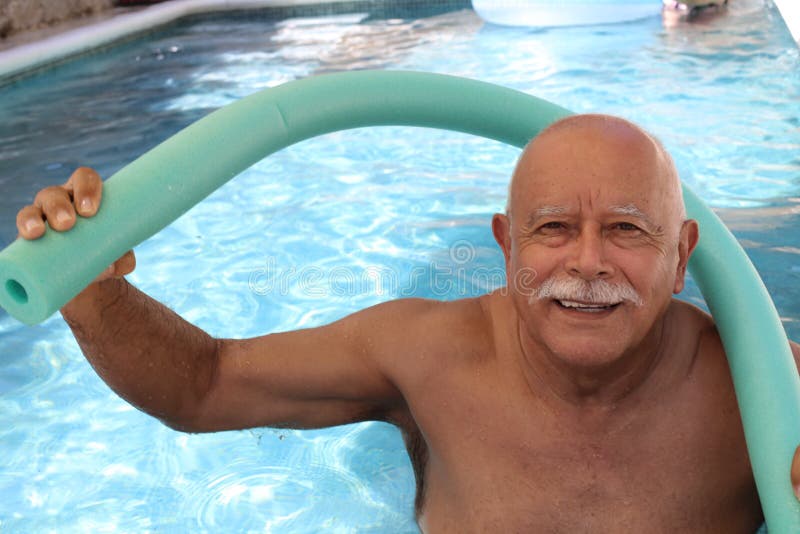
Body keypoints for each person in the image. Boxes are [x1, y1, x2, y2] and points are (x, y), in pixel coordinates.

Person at [15, 113, 800, 532]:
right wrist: (94, 295)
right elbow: (205, 382)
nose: (587, 263)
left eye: (628, 230)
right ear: (505, 245)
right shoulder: (429, 354)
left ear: (684, 252)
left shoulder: (764, 387)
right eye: (554, 228)